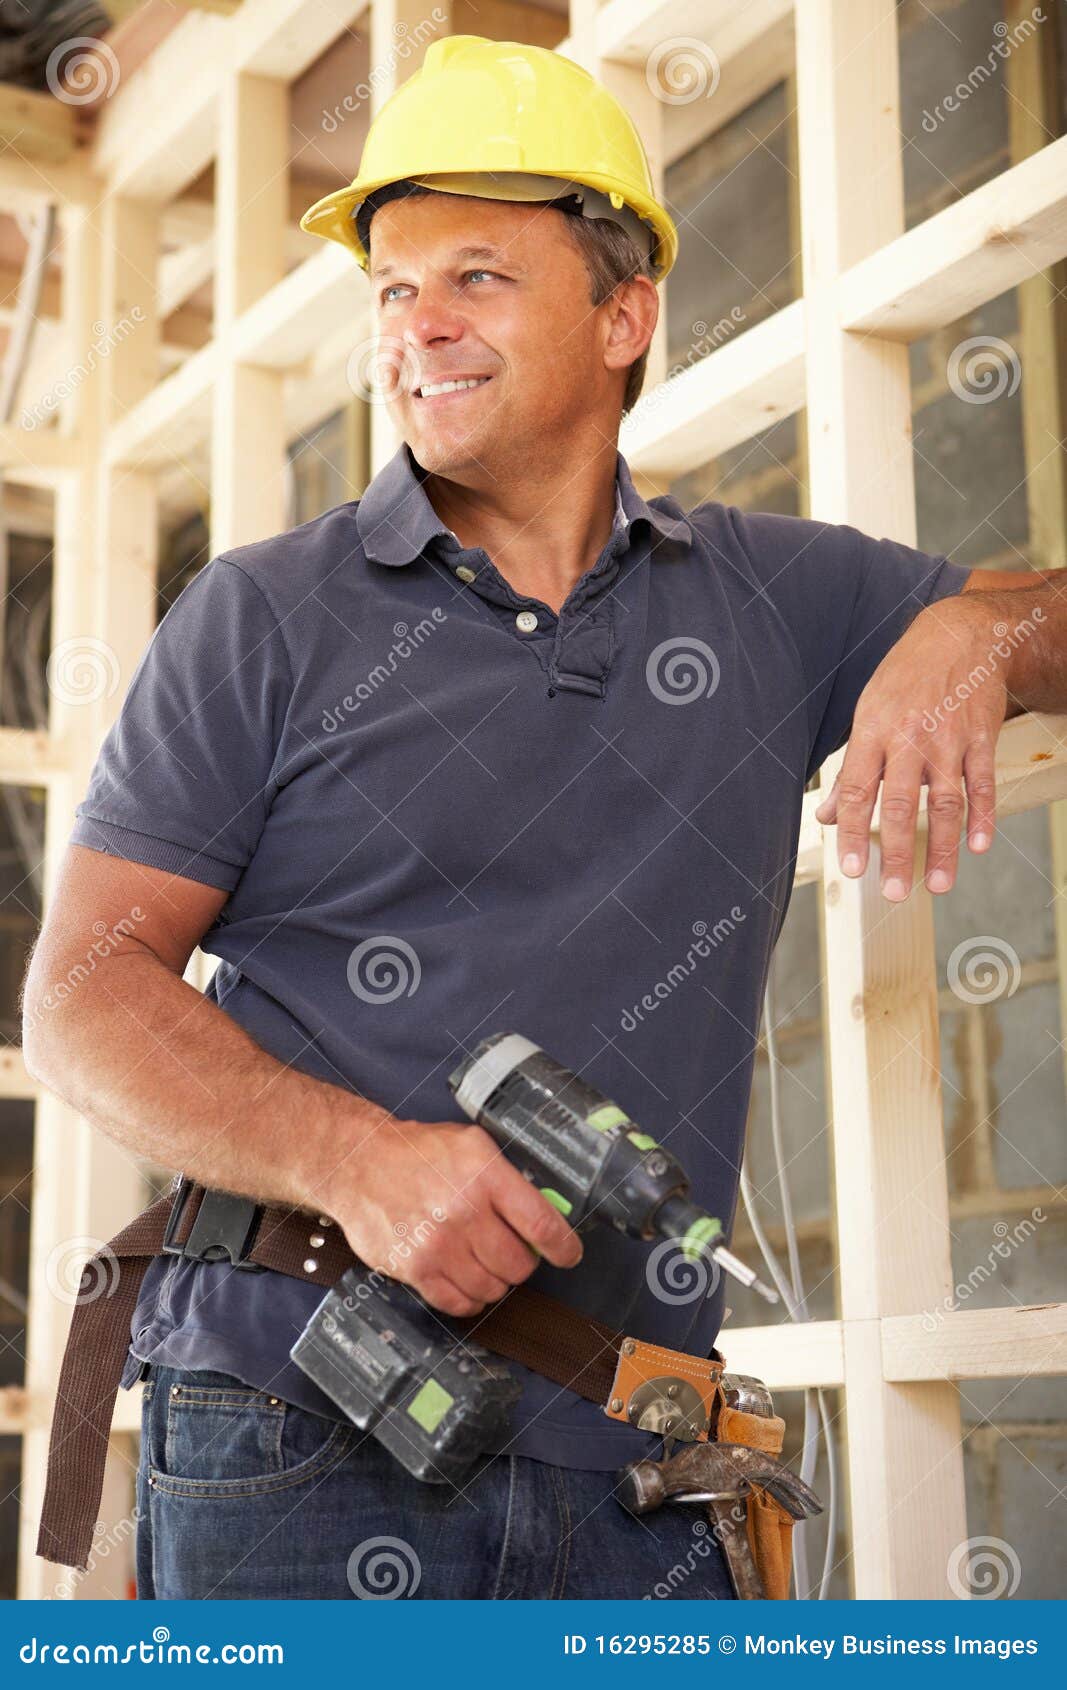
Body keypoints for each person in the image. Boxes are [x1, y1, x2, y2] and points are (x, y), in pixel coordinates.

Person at [22, 36, 1067, 1601]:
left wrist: (966, 633)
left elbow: (1045, 616)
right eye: (390, 289)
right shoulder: (262, 617)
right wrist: (362, 1160)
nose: (415, 328)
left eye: (477, 277)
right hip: (293, 1437)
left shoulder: (772, 597)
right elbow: (80, 993)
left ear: (624, 313)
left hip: (646, 1471)